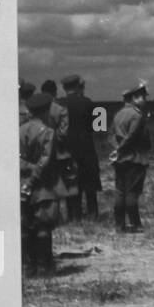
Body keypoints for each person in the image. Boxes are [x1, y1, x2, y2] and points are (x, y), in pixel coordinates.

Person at [20, 91, 67, 274]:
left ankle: (27, 265)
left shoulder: (19, 131)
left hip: (22, 183)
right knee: (44, 226)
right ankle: (45, 265)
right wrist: (34, 177)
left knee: (25, 225)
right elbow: (45, 161)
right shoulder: (48, 132)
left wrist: (26, 173)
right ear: (46, 110)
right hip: (44, 185)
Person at [109, 82, 151, 233]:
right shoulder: (137, 115)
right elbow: (132, 136)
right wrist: (121, 149)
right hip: (134, 158)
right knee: (132, 193)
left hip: (120, 160)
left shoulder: (118, 114)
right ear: (135, 98)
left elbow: (111, 135)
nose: (145, 100)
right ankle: (135, 224)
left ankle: (119, 224)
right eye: (143, 97)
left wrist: (116, 150)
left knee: (120, 192)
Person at [61, 74, 100, 222]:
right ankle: (93, 214)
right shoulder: (88, 102)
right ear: (79, 86)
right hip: (87, 147)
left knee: (72, 184)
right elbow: (100, 126)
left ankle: (74, 216)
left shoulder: (60, 104)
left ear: (64, 88)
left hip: (67, 149)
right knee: (90, 184)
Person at [41, 79, 80, 218]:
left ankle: (53, 215)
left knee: (49, 186)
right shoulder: (60, 109)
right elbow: (64, 132)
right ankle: (72, 215)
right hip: (61, 152)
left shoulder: (39, 109)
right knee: (69, 184)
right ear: (55, 92)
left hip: (44, 154)